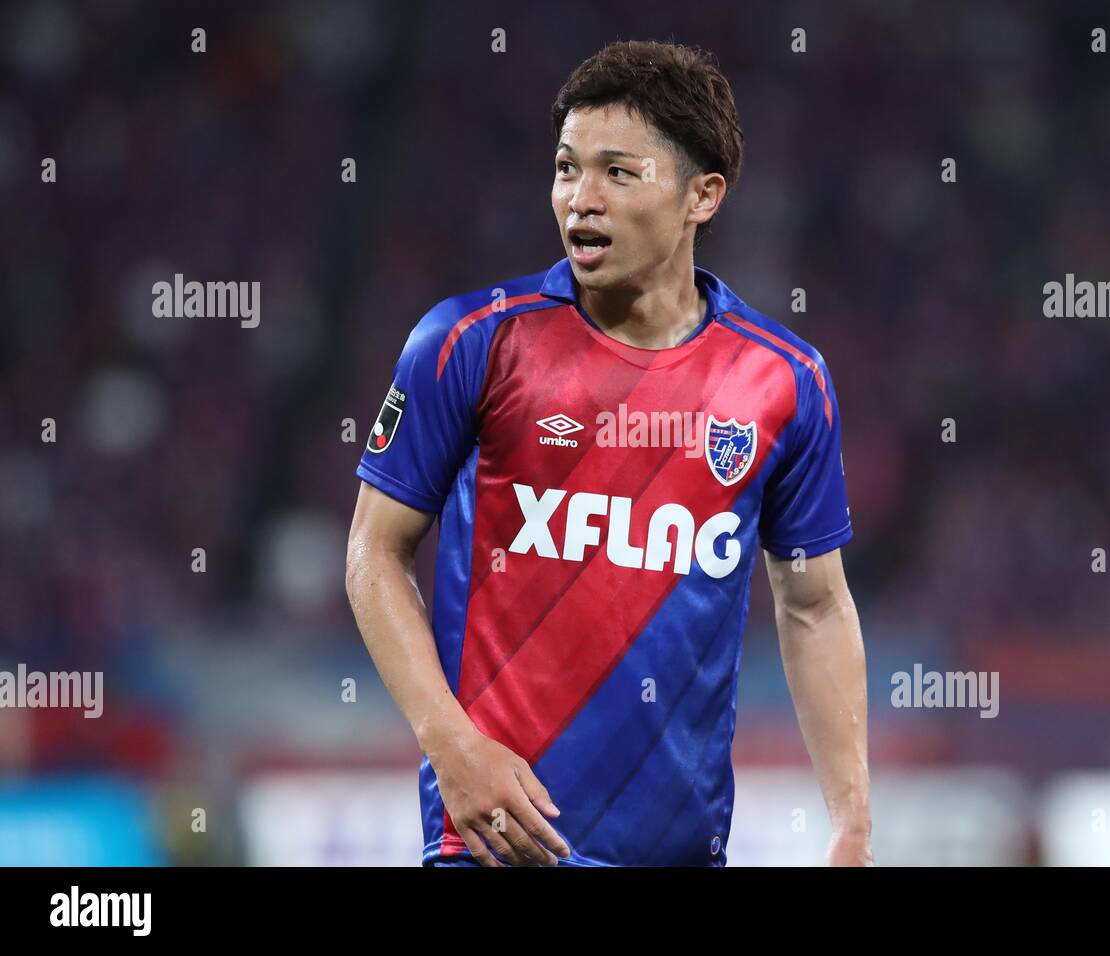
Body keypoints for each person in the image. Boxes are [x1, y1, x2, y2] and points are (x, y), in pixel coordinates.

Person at [346, 39, 872, 866]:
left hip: (679, 849)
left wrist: (851, 823)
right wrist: (450, 742)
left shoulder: (784, 381)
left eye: (618, 173)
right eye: (565, 168)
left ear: (703, 196)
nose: (579, 200)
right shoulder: (468, 342)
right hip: (495, 841)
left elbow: (814, 605)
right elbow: (374, 550)